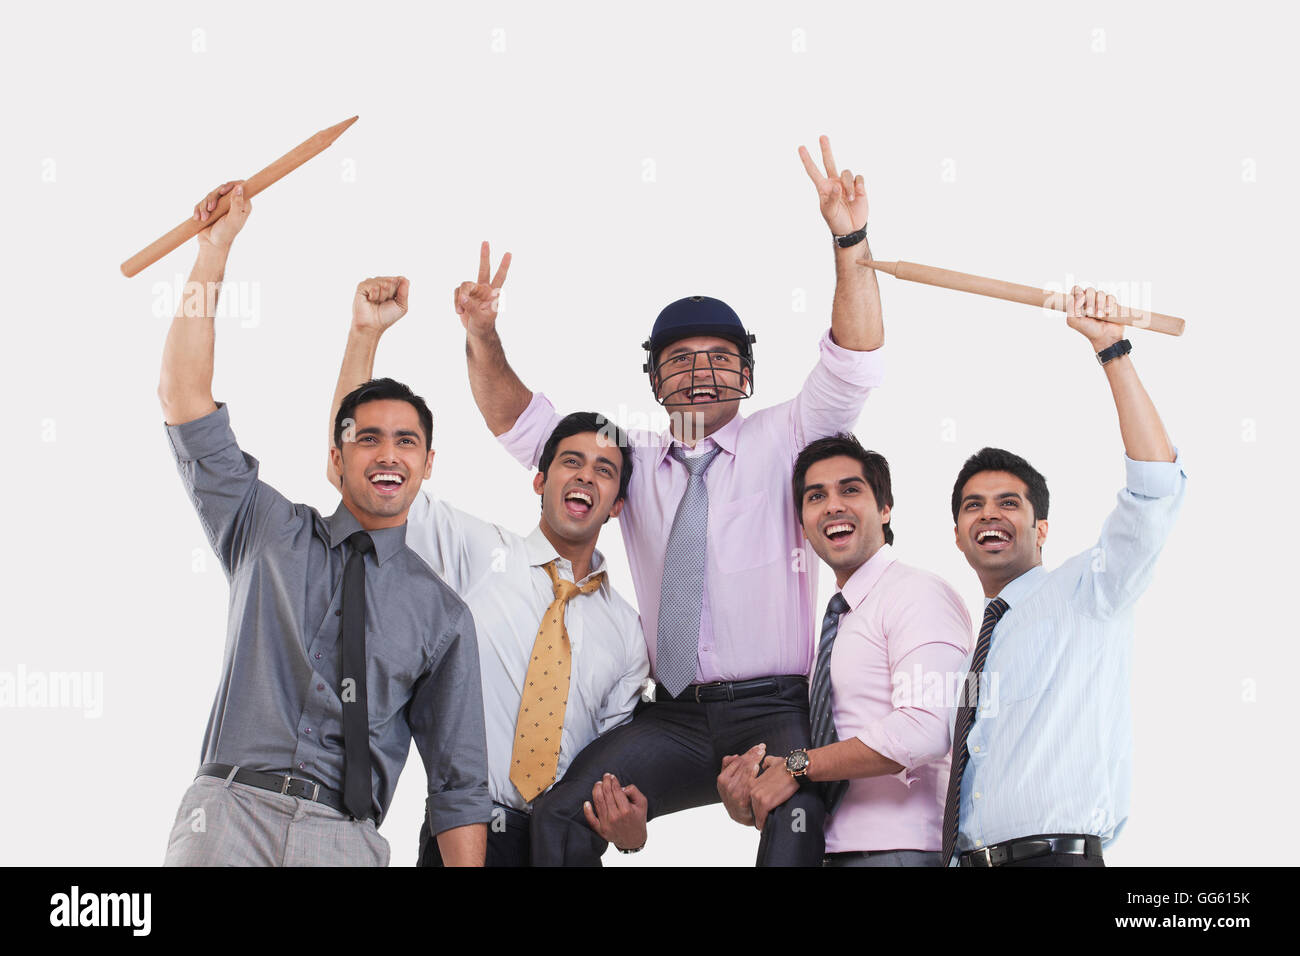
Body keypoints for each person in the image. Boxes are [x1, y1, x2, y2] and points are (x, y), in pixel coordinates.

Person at [453, 136, 885, 865]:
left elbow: (855, 359)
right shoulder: (627, 457)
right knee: (563, 814)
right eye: (679, 362)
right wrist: (483, 334)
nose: (701, 374)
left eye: (721, 359)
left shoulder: (791, 437)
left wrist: (849, 240)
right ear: (655, 382)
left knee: (800, 812)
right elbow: (518, 421)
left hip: (773, 707)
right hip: (673, 716)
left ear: (746, 374)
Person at [159, 181, 491, 867]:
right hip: (227, 816)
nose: (388, 454)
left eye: (406, 442)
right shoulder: (266, 529)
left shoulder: (442, 615)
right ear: (336, 460)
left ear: (429, 464)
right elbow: (183, 398)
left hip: (342, 840)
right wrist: (213, 252)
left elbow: (459, 787)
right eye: (368, 440)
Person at [328, 295, 651, 865]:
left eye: (605, 470)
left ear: (617, 506)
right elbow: (354, 478)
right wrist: (364, 336)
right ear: (540, 481)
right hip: (468, 833)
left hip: (568, 841)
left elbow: (612, 762)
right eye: (571, 461)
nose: (585, 476)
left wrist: (626, 828)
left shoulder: (628, 631)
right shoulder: (477, 552)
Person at [943, 286, 1187, 868]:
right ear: (957, 534)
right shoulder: (972, 646)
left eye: (1009, 503)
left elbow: (1154, 490)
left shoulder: (1090, 590)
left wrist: (1112, 350)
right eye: (973, 506)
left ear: (1042, 528)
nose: (989, 514)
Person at [717, 435, 972, 866]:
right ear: (803, 522)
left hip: (902, 851)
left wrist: (797, 765)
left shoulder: (917, 593)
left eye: (850, 489)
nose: (833, 505)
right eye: (816, 496)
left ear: (885, 508)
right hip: (831, 851)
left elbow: (927, 727)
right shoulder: (840, 616)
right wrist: (757, 786)